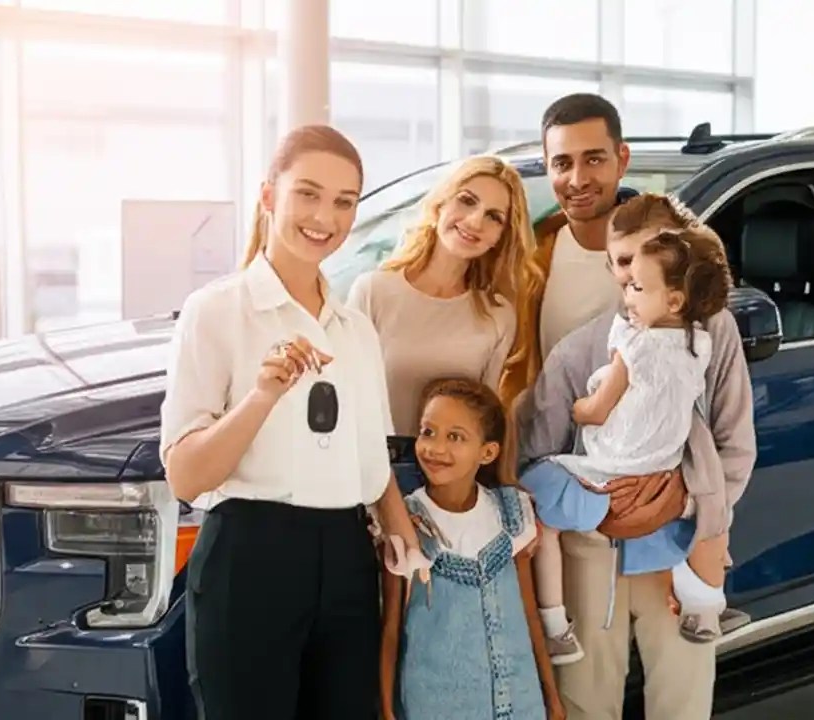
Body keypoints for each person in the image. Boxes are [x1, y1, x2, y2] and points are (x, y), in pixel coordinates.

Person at [158, 124, 419, 720]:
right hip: (251, 556)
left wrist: (407, 543)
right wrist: (261, 397)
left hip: (349, 559)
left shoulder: (356, 330)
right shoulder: (216, 312)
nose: (325, 216)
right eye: (308, 193)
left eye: (344, 201)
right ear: (268, 195)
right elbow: (186, 478)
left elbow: (372, 464)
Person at [516, 189, 757, 720]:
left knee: (683, 698)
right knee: (585, 696)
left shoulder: (712, 336)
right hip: (592, 548)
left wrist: (688, 504)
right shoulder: (578, 352)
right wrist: (597, 505)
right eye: (623, 261)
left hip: (679, 542)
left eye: (654, 253)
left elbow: (736, 444)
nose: (634, 273)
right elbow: (536, 456)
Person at [525, 223, 735, 647]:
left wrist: (579, 409)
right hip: (664, 471)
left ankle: (555, 627)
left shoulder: (633, 346)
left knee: (533, 499)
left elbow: (597, 410)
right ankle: (706, 607)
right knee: (710, 510)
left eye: (637, 286)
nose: (626, 294)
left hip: (610, 473)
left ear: (673, 299)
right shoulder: (699, 343)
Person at [347, 155, 540, 495]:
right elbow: (346, 401)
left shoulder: (498, 315)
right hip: (372, 474)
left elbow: (483, 422)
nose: (475, 221)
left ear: (501, 236)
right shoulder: (374, 291)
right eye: (466, 200)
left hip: (449, 484)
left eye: (494, 217)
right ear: (439, 205)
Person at [379, 377, 565, 720]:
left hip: (520, 702)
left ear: (488, 452)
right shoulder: (405, 523)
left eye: (455, 437)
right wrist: (387, 711)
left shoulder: (512, 515)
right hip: (435, 706)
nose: (435, 448)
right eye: (428, 432)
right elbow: (391, 627)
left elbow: (528, 612)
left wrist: (551, 696)